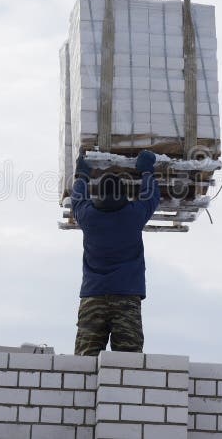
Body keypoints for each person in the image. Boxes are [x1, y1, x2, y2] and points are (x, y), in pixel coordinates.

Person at [71, 149, 160, 356]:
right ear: (124, 194)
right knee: (128, 360)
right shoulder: (133, 215)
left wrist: (81, 175)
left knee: (84, 360)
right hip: (126, 297)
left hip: (93, 296)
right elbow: (151, 196)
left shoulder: (88, 216)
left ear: (98, 194)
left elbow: (77, 198)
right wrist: (146, 171)